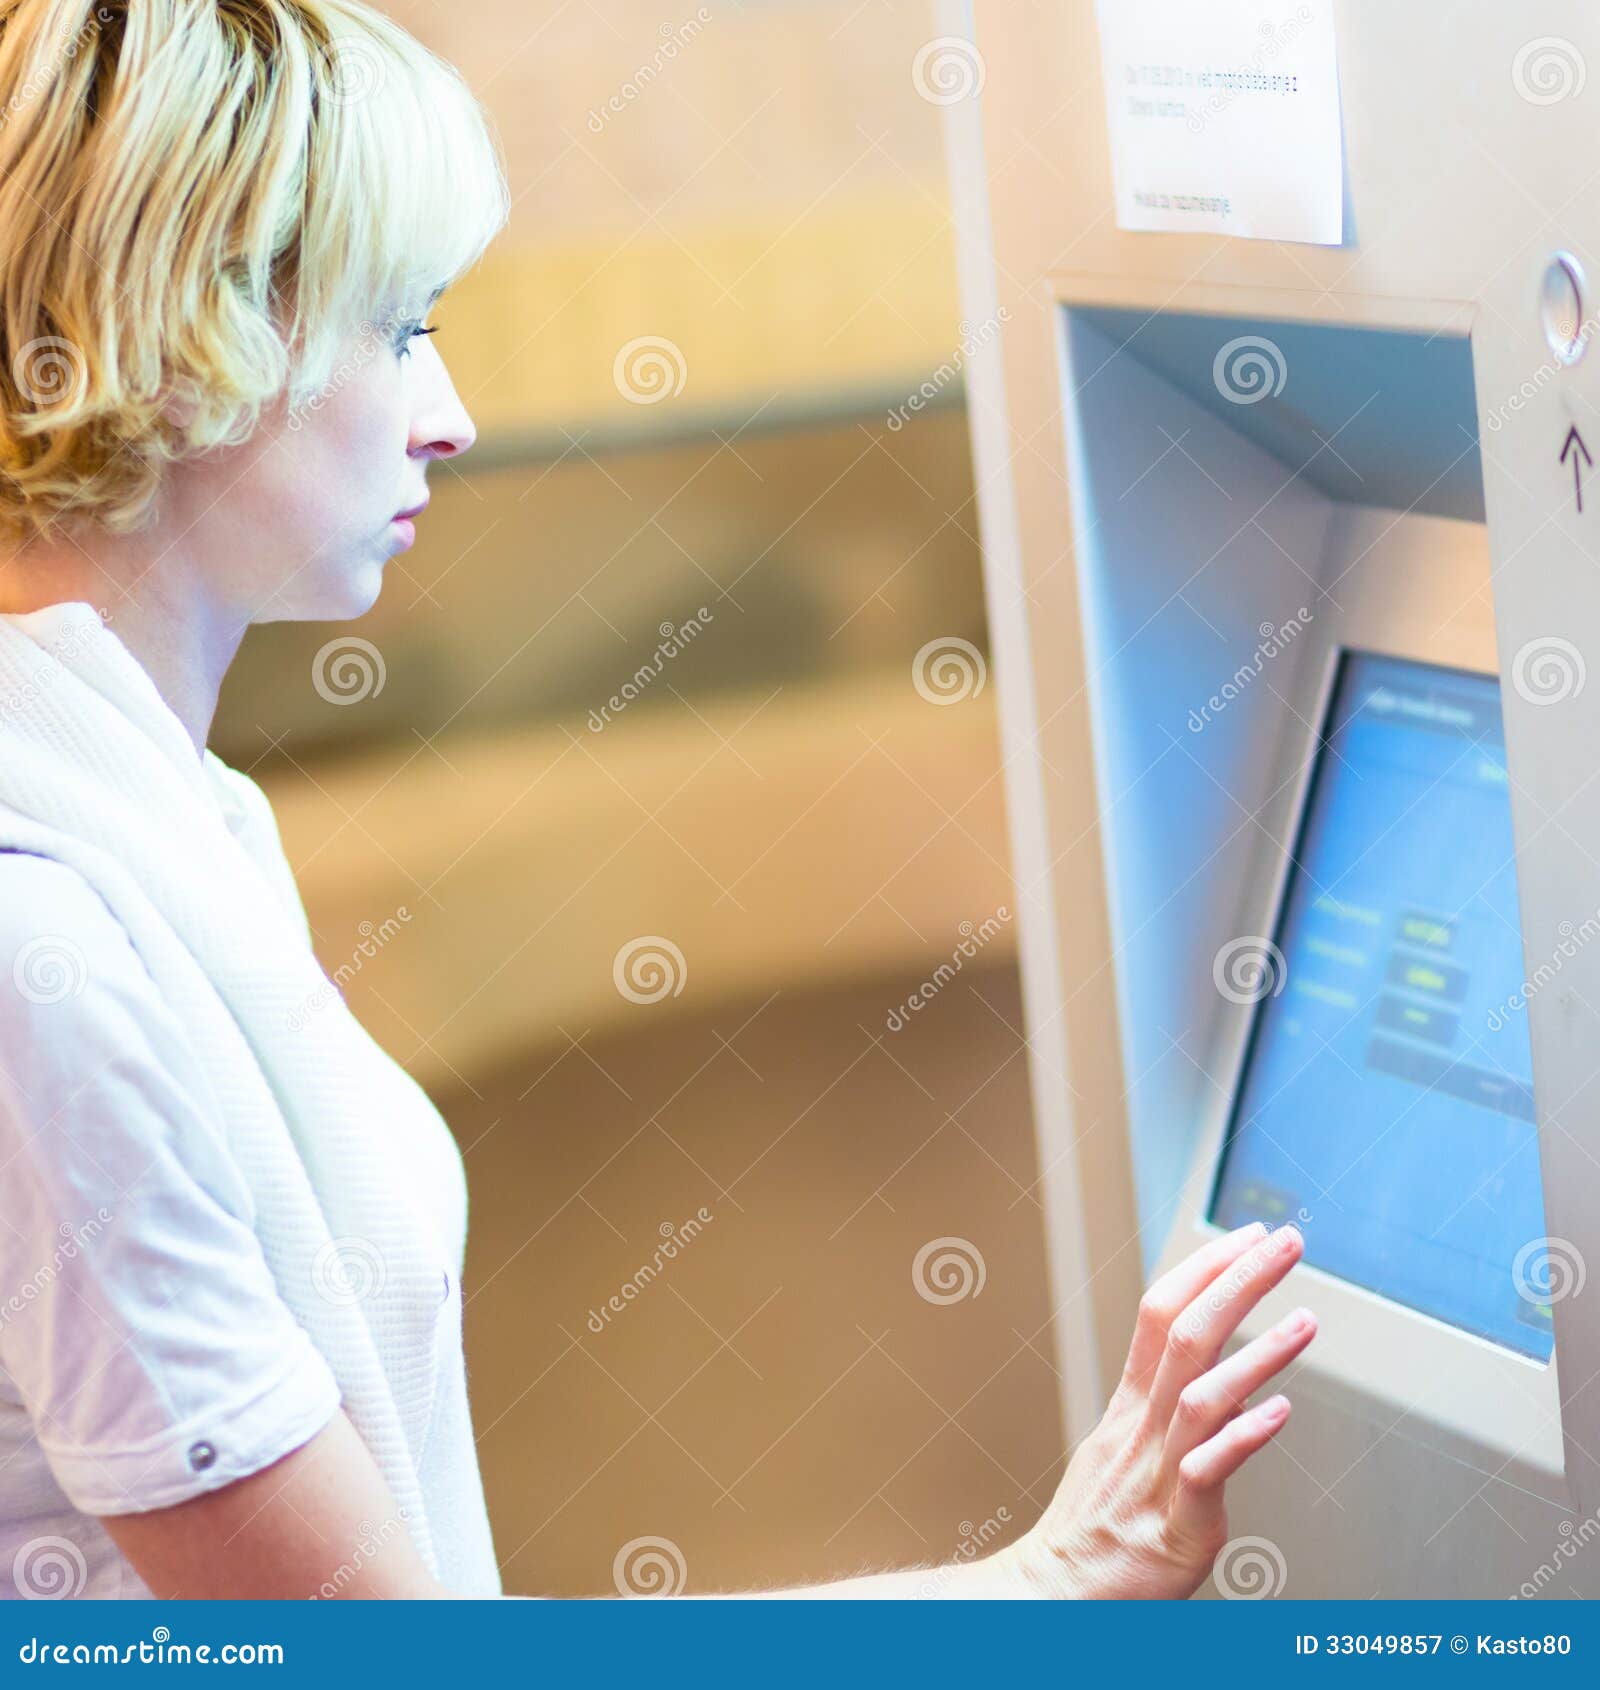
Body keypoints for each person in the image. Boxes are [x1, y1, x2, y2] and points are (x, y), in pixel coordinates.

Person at [0, 0, 1316, 1601]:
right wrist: (1052, 1578)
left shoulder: (159, 812)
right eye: (401, 326)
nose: (452, 414)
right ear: (195, 338)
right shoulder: (46, 937)